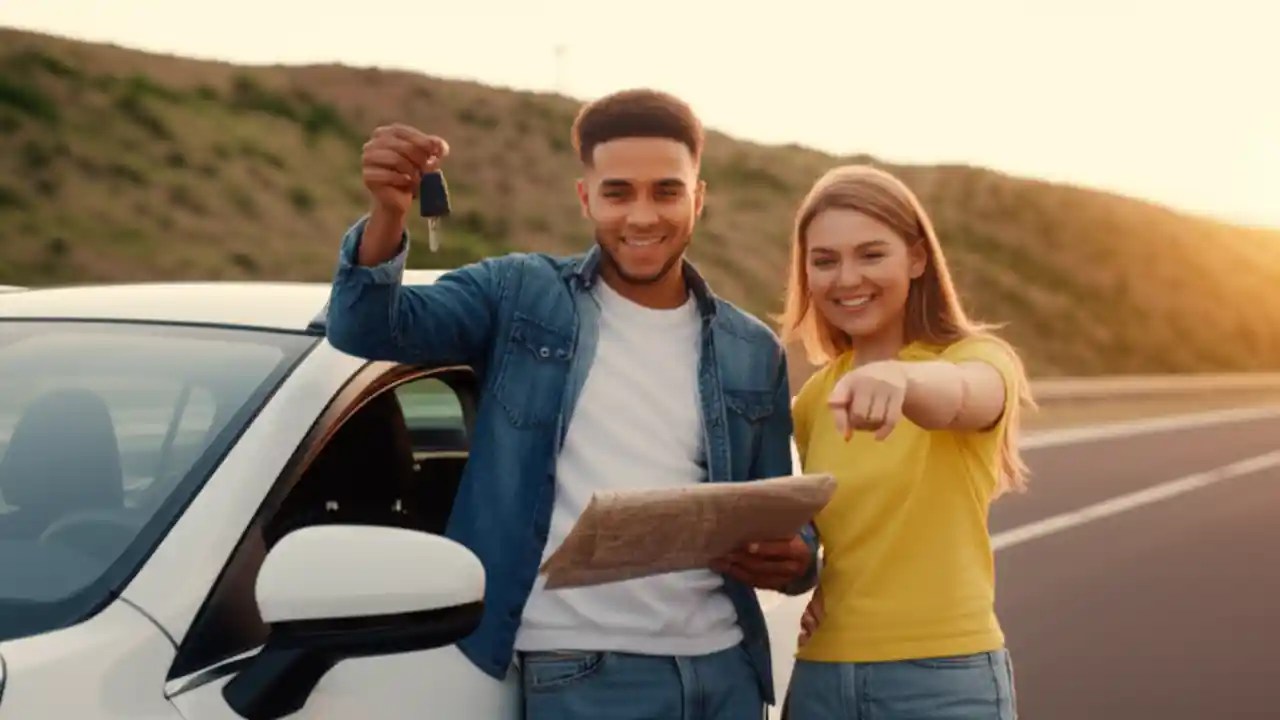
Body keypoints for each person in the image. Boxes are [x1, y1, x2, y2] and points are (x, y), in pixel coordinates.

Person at [325, 88, 819, 719]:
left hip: (728, 673)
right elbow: (366, 327)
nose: (642, 216)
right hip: (581, 672)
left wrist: (799, 558)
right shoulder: (519, 292)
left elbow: (779, 509)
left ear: (698, 197)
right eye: (618, 193)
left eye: (666, 191)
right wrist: (387, 214)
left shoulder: (752, 348)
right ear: (586, 197)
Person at [777, 164, 1033, 719]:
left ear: (916, 258)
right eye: (825, 260)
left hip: (941, 681)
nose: (846, 278)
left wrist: (901, 380)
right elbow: (812, 545)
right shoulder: (813, 401)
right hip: (821, 680)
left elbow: (966, 396)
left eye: (871, 255)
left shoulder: (975, 360)